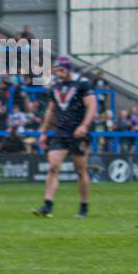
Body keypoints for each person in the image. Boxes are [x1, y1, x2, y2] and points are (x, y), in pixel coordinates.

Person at [34, 57, 97, 218]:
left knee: (80, 170)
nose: (59, 74)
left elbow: (92, 106)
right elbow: (51, 110)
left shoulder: (82, 84)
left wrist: (84, 125)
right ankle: (47, 205)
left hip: (78, 132)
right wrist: (43, 131)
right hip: (61, 132)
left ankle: (84, 206)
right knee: (53, 166)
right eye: (57, 71)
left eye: (62, 70)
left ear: (69, 70)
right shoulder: (56, 86)